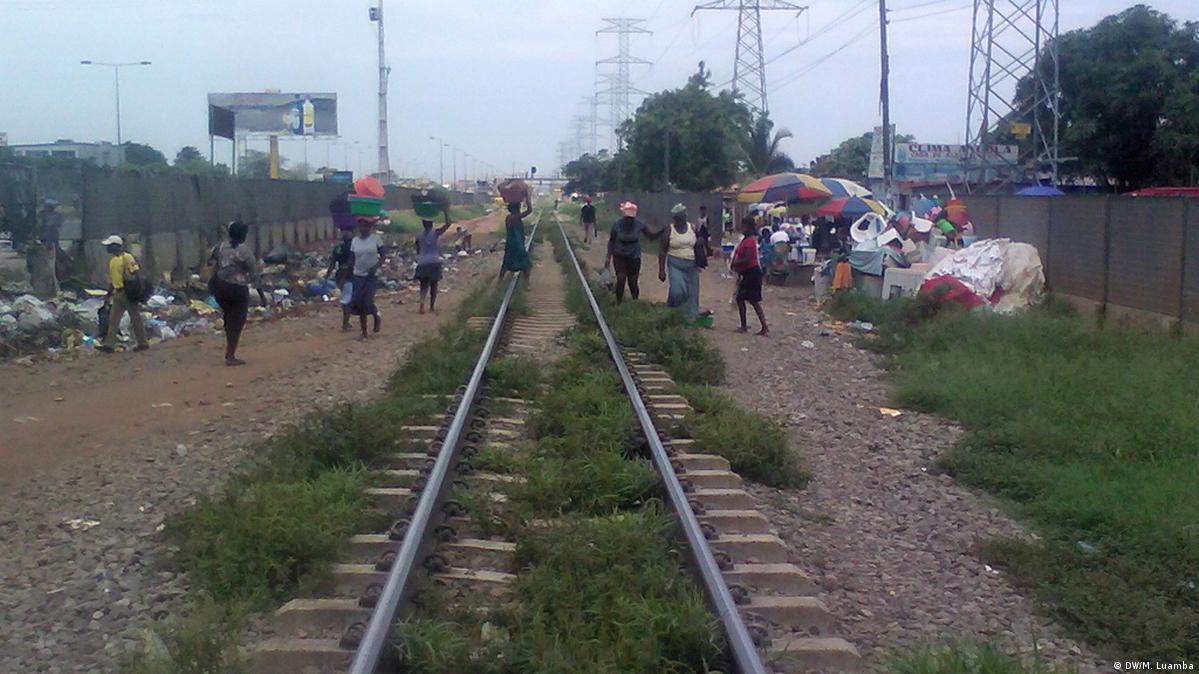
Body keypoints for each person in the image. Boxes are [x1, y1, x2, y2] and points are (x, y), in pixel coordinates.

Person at [208, 220, 267, 366]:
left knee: (229, 316)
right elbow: (255, 276)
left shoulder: (220, 247)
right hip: (237, 288)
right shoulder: (245, 251)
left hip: (220, 286)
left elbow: (211, 263)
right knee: (238, 320)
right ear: (242, 235)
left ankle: (229, 348)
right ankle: (230, 354)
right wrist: (261, 296)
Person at [97, 235, 149, 353]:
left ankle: (143, 343)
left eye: (109, 246)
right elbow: (113, 280)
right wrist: (108, 295)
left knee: (135, 318)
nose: (107, 248)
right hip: (118, 293)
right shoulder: (112, 261)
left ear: (116, 246)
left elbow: (137, 273)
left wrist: (140, 292)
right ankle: (109, 345)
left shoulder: (127, 258)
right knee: (113, 320)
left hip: (128, 292)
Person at [658, 203, 702, 320]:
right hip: (675, 263)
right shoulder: (669, 230)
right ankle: (672, 307)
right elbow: (662, 250)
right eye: (678, 217)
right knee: (678, 291)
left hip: (692, 265)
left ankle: (690, 318)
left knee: (692, 294)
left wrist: (702, 256)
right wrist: (661, 270)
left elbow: (699, 243)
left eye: (682, 216)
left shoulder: (692, 228)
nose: (680, 219)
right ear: (675, 218)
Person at [605, 201, 650, 304]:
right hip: (619, 256)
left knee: (633, 281)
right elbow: (611, 241)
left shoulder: (640, 224)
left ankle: (635, 303)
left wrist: (663, 232)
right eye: (627, 218)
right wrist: (608, 257)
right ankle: (619, 303)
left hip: (634, 257)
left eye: (630, 218)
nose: (628, 220)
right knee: (621, 279)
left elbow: (650, 236)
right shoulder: (617, 225)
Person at [731, 216, 768, 336]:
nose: (742, 228)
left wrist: (735, 263)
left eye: (744, 226)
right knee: (744, 299)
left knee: (751, 300)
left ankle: (760, 326)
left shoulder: (750, 241)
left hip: (752, 273)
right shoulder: (745, 240)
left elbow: (747, 258)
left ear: (749, 227)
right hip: (748, 273)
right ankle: (750, 326)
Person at [349, 216, 384, 339]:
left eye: (366, 226)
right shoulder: (355, 241)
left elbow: (383, 256)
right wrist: (348, 273)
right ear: (359, 227)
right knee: (359, 303)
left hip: (371, 276)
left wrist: (375, 267)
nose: (364, 228)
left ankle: (376, 315)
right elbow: (352, 258)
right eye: (362, 226)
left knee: (368, 302)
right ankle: (364, 332)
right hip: (358, 275)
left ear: (370, 227)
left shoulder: (376, 239)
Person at [414, 205, 453, 314]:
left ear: (423, 224)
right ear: (431, 224)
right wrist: (445, 212)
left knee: (423, 285)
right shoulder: (435, 233)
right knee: (434, 285)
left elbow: (417, 250)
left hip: (422, 263)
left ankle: (422, 302)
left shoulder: (418, 236)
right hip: (434, 261)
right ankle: (431, 306)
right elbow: (448, 224)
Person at [324, 227, 355, 330]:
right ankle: (345, 323)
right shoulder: (352, 248)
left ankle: (347, 321)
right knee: (347, 300)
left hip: (340, 275)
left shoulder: (338, 248)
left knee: (347, 298)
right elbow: (350, 264)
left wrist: (326, 278)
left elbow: (332, 264)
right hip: (349, 276)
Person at [499, 195, 534, 285]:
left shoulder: (509, 217)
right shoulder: (514, 217)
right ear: (516, 209)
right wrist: (527, 198)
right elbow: (529, 211)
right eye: (518, 207)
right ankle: (527, 283)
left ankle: (499, 282)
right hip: (517, 245)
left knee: (506, 264)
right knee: (525, 264)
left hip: (511, 244)